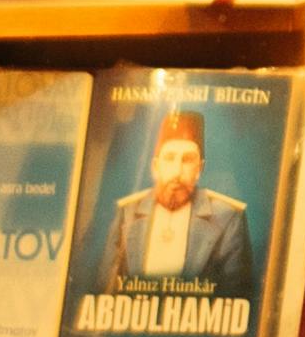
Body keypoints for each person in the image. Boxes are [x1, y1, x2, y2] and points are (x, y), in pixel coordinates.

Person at [102, 107, 253, 298]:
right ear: (156, 166)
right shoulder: (126, 213)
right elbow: (105, 290)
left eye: (188, 160)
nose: (177, 171)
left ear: (200, 168)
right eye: (169, 158)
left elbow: (236, 298)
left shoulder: (228, 218)